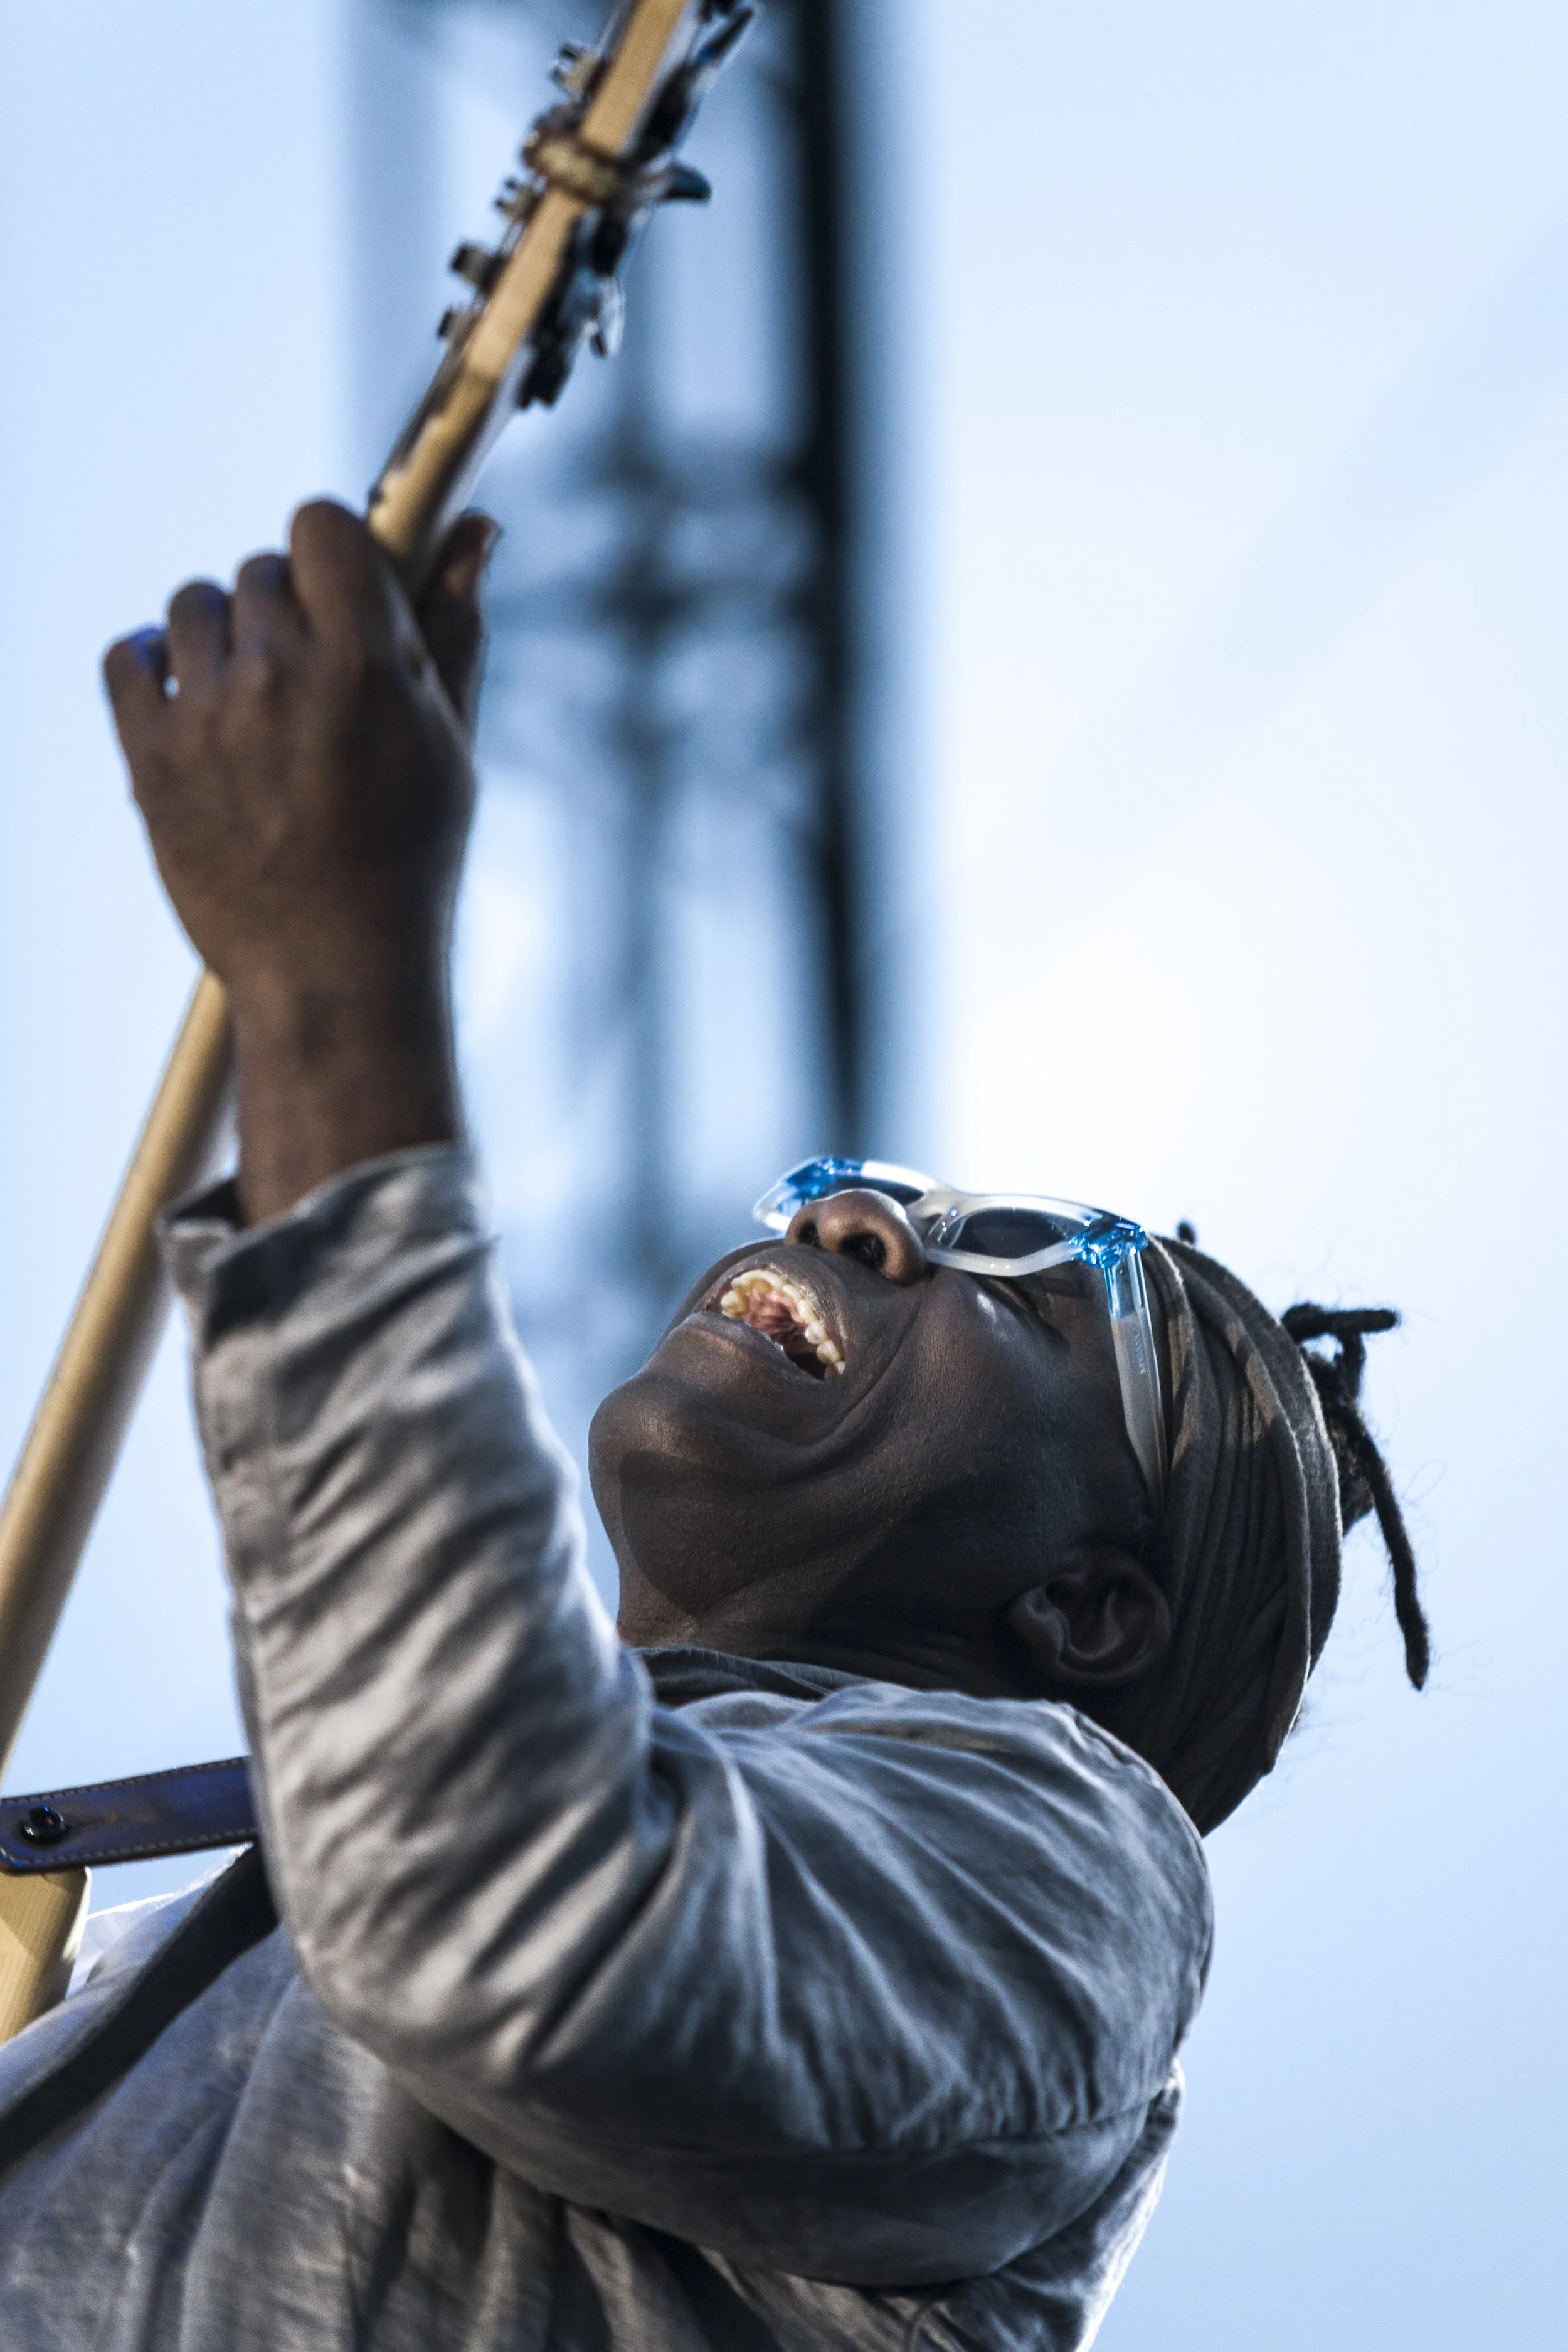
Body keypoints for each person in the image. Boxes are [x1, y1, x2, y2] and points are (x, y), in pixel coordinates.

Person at [0, 503, 1428, 2349]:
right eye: (866, 1190)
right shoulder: (162, 1965)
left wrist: (334, 979)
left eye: (1030, 1284)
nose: (852, 1222)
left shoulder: (1072, 1880)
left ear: (1085, 1611)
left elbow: (499, 1908)